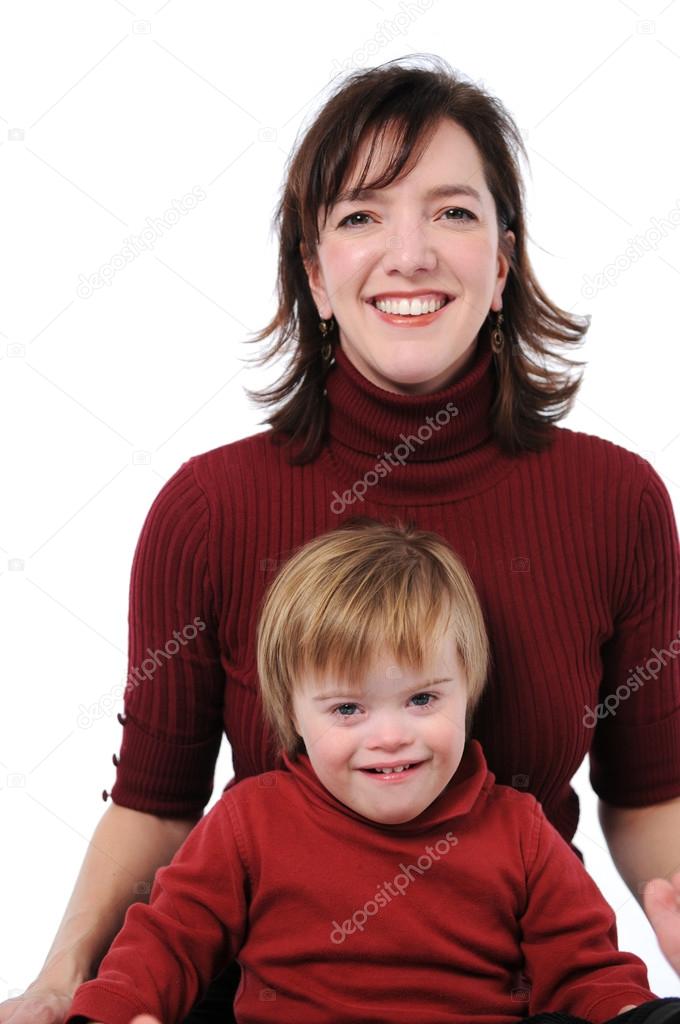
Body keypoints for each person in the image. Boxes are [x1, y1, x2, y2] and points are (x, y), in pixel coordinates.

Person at [3, 54, 679, 1024]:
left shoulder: (616, 498)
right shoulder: (208, 508)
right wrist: (64, 980)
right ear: (315, 274)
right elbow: (156, 805)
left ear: (501, 263)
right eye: (361, 215)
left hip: (513, 994)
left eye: (450, 211)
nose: (408, 253)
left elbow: (649, 793)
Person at [63, 520, 679, 1024]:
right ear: (294, 715)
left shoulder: (518, 831)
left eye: (422, 700)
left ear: (469, 691)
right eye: (348, 709)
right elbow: (168, 939)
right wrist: (122, 1009)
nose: (389, 737)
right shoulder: (251, 822)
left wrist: (631, 1012)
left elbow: (586, 972)